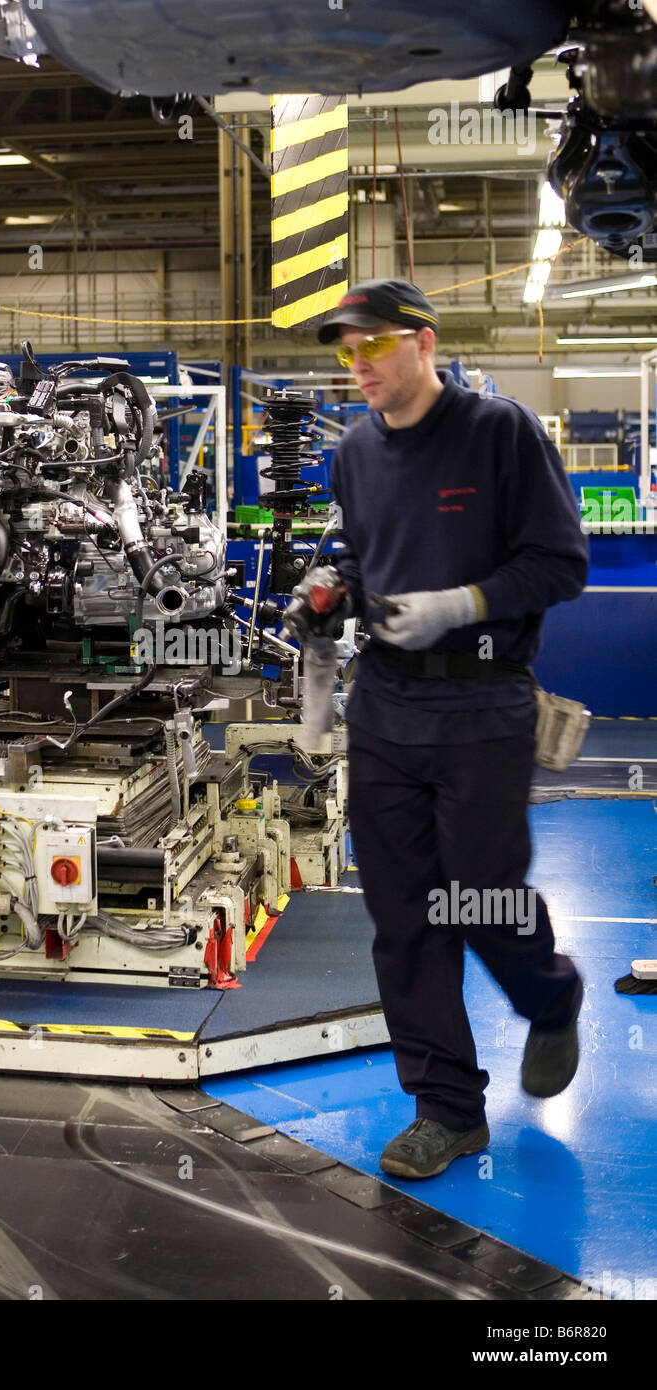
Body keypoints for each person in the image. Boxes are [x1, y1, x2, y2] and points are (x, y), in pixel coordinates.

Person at [316, 278, 588, 1179]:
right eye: (344, 351)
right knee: (403, 921)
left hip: (482, 707)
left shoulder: (498, 431)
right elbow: (357, 551)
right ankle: (447, 1110)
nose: (356, 365)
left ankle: (549, 1000)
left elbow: (559, 563)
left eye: (372, 346)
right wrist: (328, 588)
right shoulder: (353, 451)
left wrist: (462, 604)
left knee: (477, 899)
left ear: (422, 342)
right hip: (385, 710)